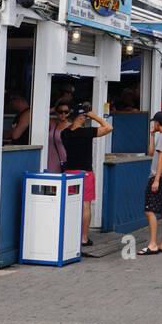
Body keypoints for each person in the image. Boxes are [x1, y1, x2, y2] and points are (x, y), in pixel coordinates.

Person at [62, 104, 113, 248]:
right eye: (85, 116)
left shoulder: (64, 133)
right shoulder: (86, 132)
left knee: (70, 204)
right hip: (85, 173)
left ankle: (70, 235)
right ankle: (84, 238)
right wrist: (95, 116)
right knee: (85, 205)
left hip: (69, 173)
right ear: (82, 117)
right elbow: (109, 128)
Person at [140, 113, 162, 255]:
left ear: (157, 123)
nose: (153, 125)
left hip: (159, 177)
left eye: (154, 122)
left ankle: (153, 243)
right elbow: (151, 153)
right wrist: (152, 135)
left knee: (149, 210)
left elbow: (161, 158)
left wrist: (156, 179)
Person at [45, 102, 71, 173]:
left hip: (64, 160)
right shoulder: (52, 123)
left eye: (66, 112)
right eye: (60, 112)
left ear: (69, 112)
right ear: (56, 113)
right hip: (49, 159)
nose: (63, 114)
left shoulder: (71, 126)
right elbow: (41, 115)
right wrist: (53, 109)